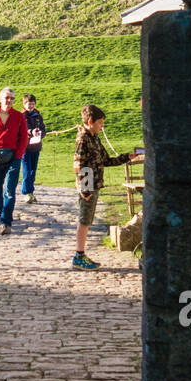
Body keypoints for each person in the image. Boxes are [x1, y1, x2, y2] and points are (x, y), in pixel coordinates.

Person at [72, 103, 142, 270]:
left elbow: (106, 160)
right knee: (84, 220)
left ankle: (81, 254)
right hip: (88, 186)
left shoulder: (95, 138)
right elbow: (79, 165)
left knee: (87, 220)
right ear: (90, 121)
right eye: (100, 123)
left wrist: (127, 157)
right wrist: (85, 189)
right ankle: (79, 256)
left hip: (94, 185)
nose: (101, 126)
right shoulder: (83, 139)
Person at [0, 87, 28, 235]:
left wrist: (18, 156)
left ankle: (5, 221)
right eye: (7, 97)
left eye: (12, 98)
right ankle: (2, 213)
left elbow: (24, 138)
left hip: (12, 158)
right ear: (0, 98)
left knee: (9, 190)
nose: (9, 101)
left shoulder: (19, 116)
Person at [20, 94, 46, 203]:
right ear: (24, 104)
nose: (30, 106)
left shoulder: (38, 116)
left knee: (32, 171)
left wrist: (41, 133)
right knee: (26, 170)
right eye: (28, 104)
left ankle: (31, 192)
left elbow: (43, 129)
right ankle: (26, 192)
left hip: (36, 146)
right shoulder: (21, 116)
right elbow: (22, 130)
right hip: (25, 148)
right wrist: (31, 132)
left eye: (32, 104)